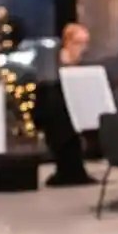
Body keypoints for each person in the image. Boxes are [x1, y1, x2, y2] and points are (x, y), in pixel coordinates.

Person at [33, 23, 96, 186]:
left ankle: (74, 169)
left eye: (85, 43)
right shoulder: (53, 65)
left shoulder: (81, 64)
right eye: (78, 43)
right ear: (68, 42)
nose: (82, 48)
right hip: (55, 111)